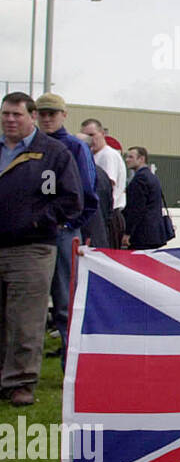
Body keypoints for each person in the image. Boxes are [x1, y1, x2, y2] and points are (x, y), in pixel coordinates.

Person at [1, 93, 82, 406]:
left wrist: (38, 221)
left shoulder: (53, 153)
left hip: (32, 249)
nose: (10, 120)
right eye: (6, 114)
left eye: (17, 115)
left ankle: (20, 382)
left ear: (31, 117)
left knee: (26, 319)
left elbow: (72, 199)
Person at [33, 93, 98, 367]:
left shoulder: (74, 147)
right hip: (31, 233)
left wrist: (69, 224)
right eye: (43, 113)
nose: (47, 119)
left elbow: (88, 195)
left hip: (62, 232)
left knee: (64, 301)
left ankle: (70, 364)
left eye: (52, 113)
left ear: (63, 115)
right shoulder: (29, 145)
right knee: (30, 301)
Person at [80, 118, 128, 248]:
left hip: (106, 215)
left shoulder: (107, 156)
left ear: (102, 133)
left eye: (92, 135)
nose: (89, 140)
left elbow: (106, 188)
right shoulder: (94, 156)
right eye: (85, 136)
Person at [122, 146, 168, 250]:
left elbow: (136, 209)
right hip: (154, 232)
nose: (127, 160)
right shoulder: (151, 177)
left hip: (142, 234)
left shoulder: (140, 179)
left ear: (141, 159)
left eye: (131, 157)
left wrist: (127, 232)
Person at [74, 131, 114, 249]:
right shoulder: (102, 174)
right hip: (99, 235)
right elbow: (109, 209)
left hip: (84, 238)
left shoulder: (77, 173)